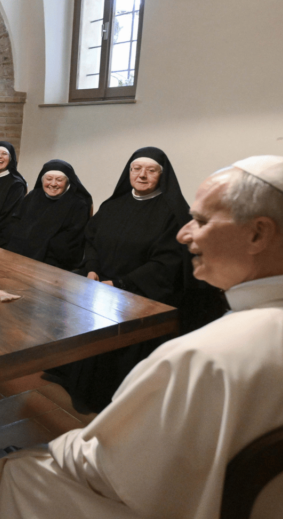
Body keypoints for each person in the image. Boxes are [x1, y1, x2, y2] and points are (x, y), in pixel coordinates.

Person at [0, 156, 283, 519]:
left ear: (257, 234)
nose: (183, 234)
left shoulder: (205, 356)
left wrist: (61, 447)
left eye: (202, 221)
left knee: (21, 469)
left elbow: (110, 472)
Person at [47, 147, 189, 413]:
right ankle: (74, 378)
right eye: (136, 169)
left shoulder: (173, 213)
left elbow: (165, 263)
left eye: (151, 170)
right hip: (99, 282)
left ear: (163, 174)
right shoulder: (113, 204)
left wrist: (121, 284)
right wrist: (91, 268)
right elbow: (93, 240)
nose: (142, 176)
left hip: (140, 292)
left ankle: (109, 397)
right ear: (129, 172)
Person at [5, 160, 92, 269]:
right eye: (49, 179)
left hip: (52, 260)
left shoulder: (78, 204)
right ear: (42, 180)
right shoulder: (33, 195)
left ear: (68, 182)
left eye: (59, 180)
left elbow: (71, 241)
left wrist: (36, 243)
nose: (53, 184)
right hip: (21, 252)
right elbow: (16, 221)